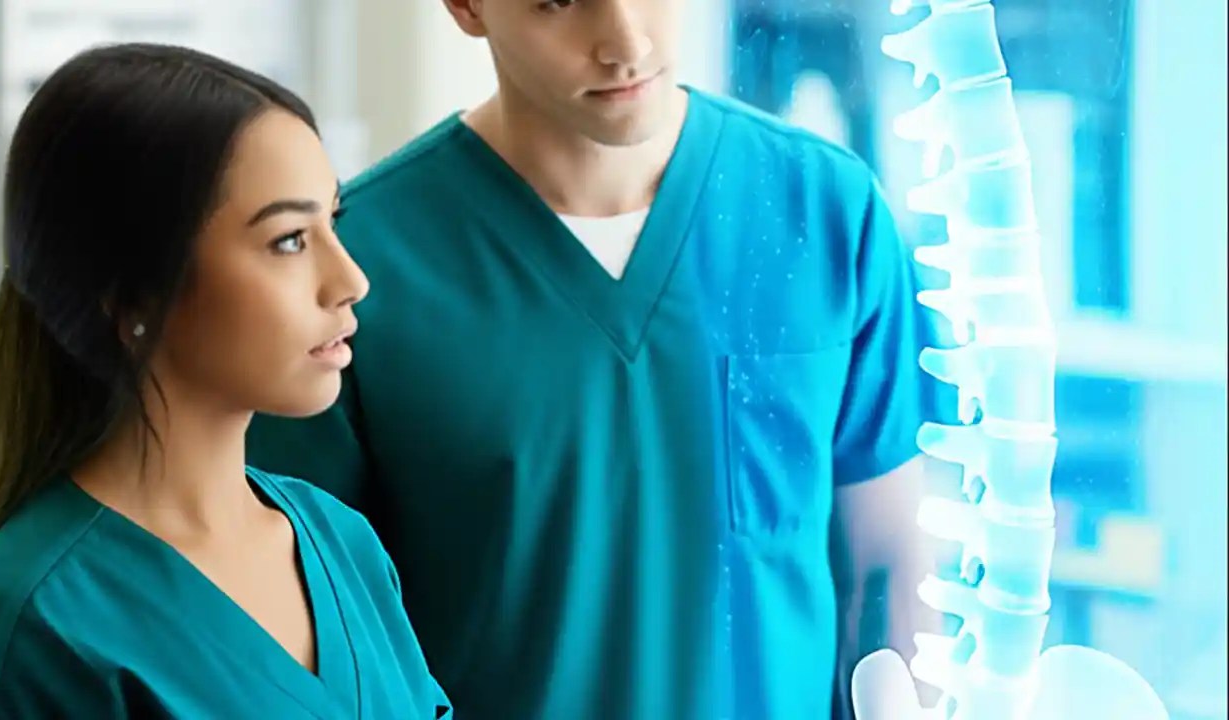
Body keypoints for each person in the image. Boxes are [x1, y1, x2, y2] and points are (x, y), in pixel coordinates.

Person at [248, 1, 945, 718]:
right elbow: (311, 641)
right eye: (557, 1)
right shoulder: (353, 277)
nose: (626, 41)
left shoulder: (827, 212)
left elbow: (886, 570)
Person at [0, 43, 451, 720]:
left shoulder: (341, 544)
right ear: (129, 294)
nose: (351, 281)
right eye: (289, 241)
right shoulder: (41, 624)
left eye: (332, 222)